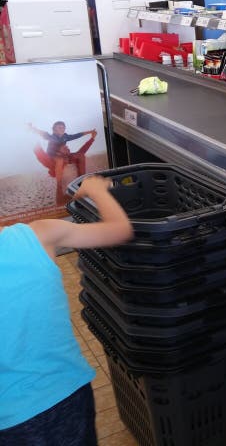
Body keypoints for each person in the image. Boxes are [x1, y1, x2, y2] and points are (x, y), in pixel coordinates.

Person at [0, 175, 133, 445]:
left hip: (10, 419)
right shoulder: (39, 233)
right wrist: (97, 191)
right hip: (68, 394)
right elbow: (120, 229)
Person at [29, 122, 98, 205]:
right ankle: (59, 184)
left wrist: (91, 133)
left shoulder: (65, 137)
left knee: (80, 156)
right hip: (53, 156)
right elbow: (41, 133)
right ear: (54, 130)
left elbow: (78, 135)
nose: (62, 129)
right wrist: (32, 129)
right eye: (59, 127)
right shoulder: (51, 137)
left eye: (63, 127)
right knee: (60, 160)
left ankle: (81, 181)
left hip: (63, 156)